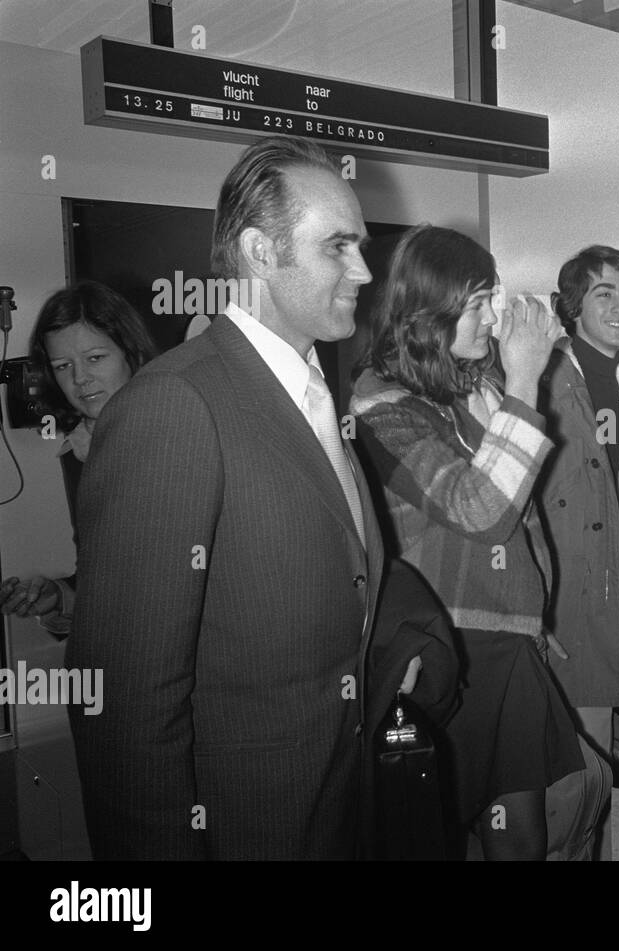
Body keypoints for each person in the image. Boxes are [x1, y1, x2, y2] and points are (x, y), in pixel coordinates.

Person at [66, 136, 385, 860]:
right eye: (338, 247)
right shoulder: (174, 406)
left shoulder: (308, 392)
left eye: (360, 246)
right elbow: (126, 707)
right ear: (260, 253)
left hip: (336, 806)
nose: (364, 270)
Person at [350, 224, 588, 860]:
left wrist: (530, 613)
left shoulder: (467, 387)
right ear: (431, 309)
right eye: (477, 303)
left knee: (523, 838)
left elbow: (521, 517)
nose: (490, 319)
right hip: (447, 644)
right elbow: (479, 510)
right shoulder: (382, 402)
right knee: (440, 832)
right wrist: (525, 380)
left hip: (505, 641)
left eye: (492, 300)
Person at [533, 245, 619, 860]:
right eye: (604, 294)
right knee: (569, 776)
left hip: (615, 604)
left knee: (596, 769)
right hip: (562, 612)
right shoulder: (537, 385)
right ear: (572, 306)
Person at [0, 281, 157, 637]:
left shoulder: (178, 437)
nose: (80, 378)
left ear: (131, 353)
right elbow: (104, 576)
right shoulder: (79, 449)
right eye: (62, 365)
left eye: (95, 358)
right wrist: (60, 598)